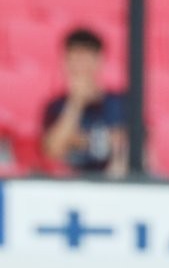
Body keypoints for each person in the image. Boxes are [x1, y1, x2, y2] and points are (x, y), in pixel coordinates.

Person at [42, 28, 127, 177]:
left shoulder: (120, 103)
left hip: (113, 184)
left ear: (99, 61)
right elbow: (53, 150)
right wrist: (76, 103)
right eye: (73, 59)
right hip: (69, 185)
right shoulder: (55, 106)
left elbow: (129, 143)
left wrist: (76, 140)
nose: (79, 66)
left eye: (84, 59)